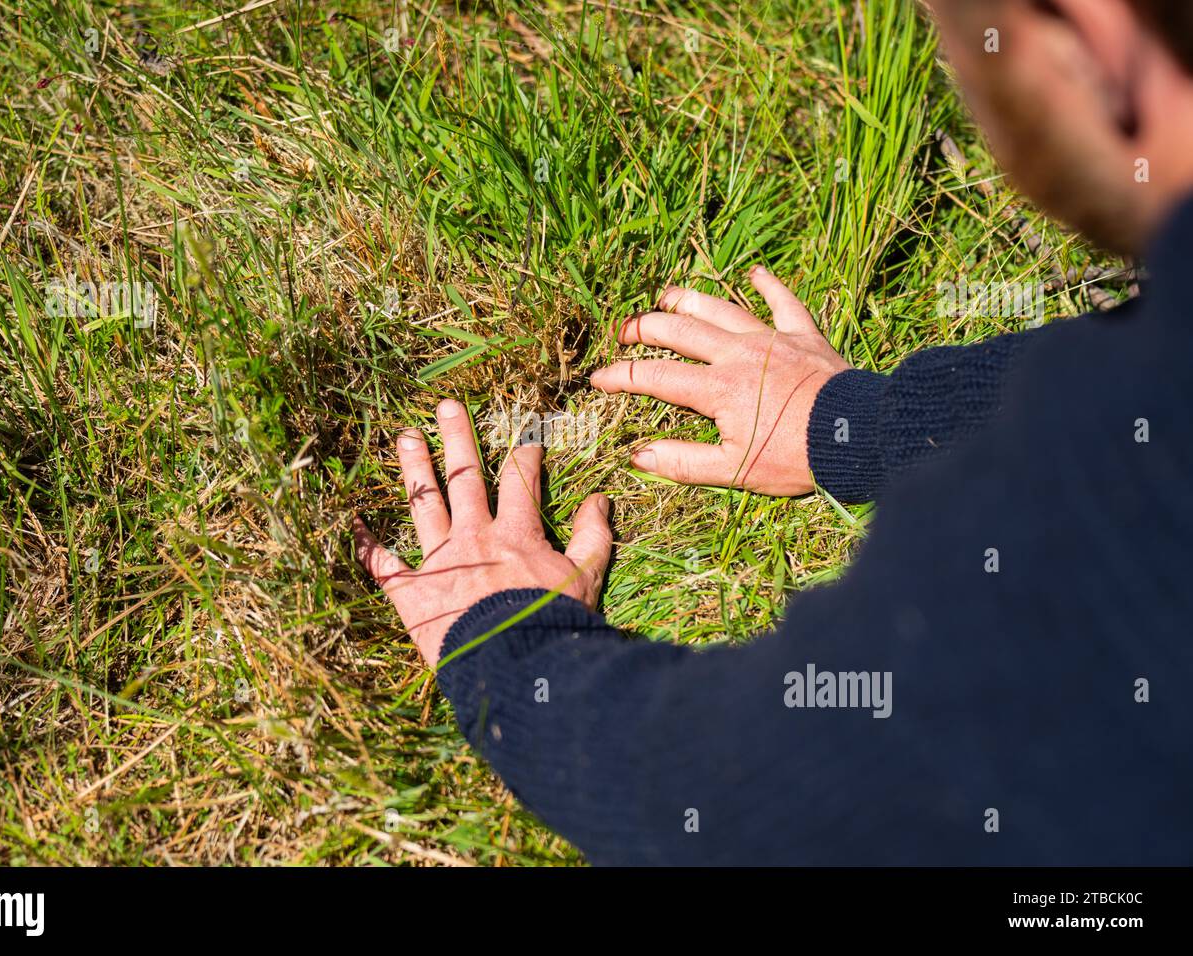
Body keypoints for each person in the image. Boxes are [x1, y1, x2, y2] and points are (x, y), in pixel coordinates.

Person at [353, 0, 1193, 864]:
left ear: (1092, 32)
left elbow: (741, 798)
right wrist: (859, 426)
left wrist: (507, 643)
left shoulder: (1118, 530)